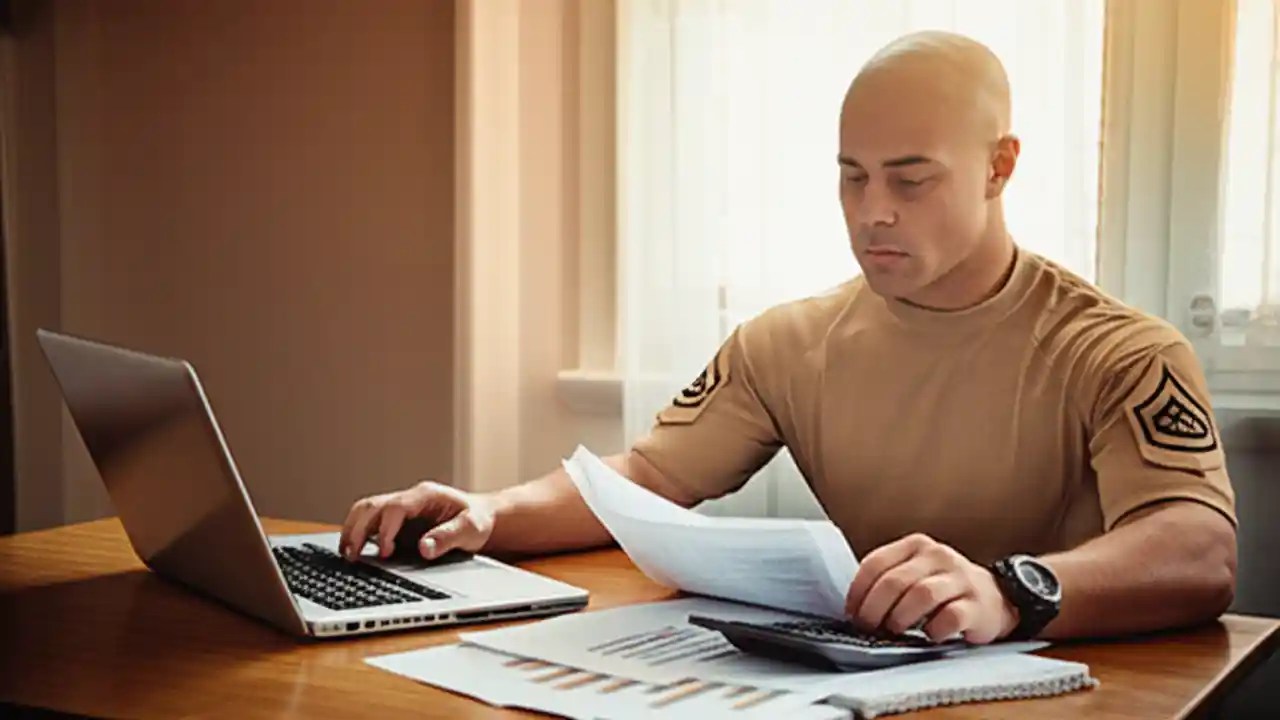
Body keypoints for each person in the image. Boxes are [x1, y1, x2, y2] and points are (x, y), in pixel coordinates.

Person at [339, 30, 1236, 645]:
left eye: (911, 180)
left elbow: (1199, 548)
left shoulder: (1122, 352)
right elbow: (647, 478)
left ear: (1000, 166)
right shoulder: (786, 344)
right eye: (852, 177)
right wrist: (489, 514)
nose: (873, 211)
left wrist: (1010, 591)